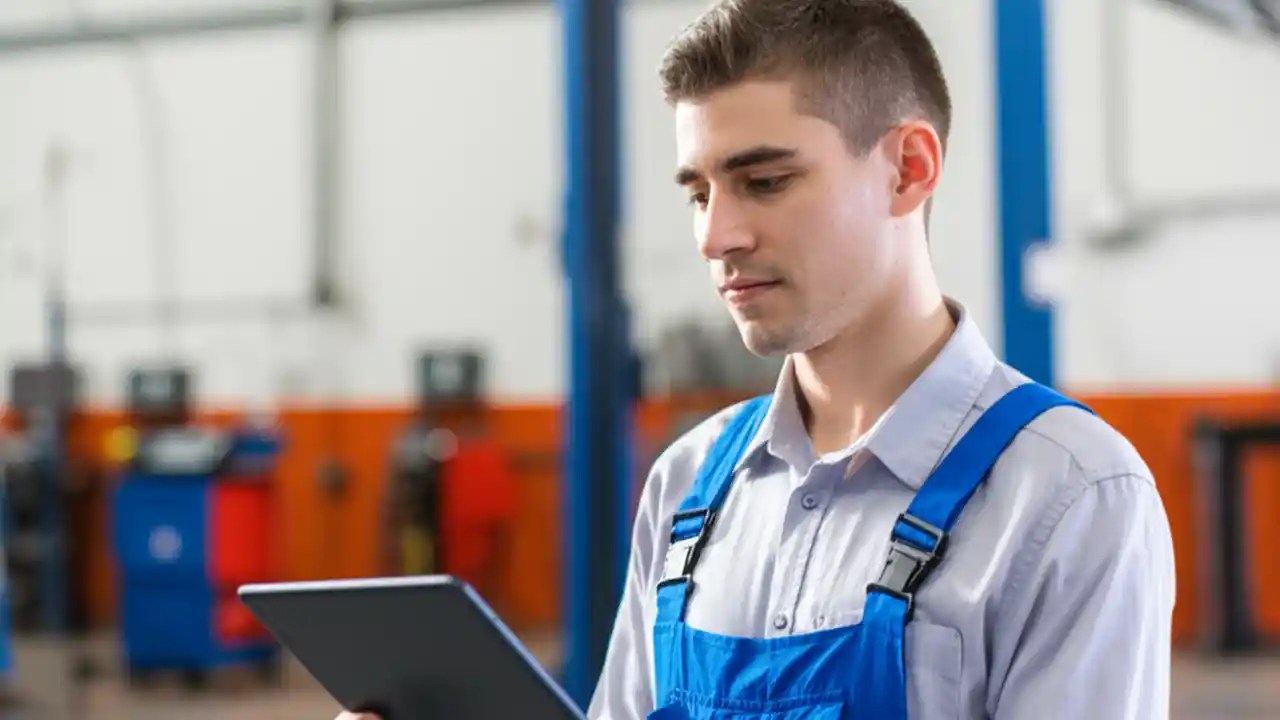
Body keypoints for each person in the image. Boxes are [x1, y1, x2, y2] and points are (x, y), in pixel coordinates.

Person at [338, 0, 1174, 718]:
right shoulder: (689, 487)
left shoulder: (1068, 497)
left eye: (764, 181)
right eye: (699, 192)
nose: (715, 236)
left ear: (908, 171)